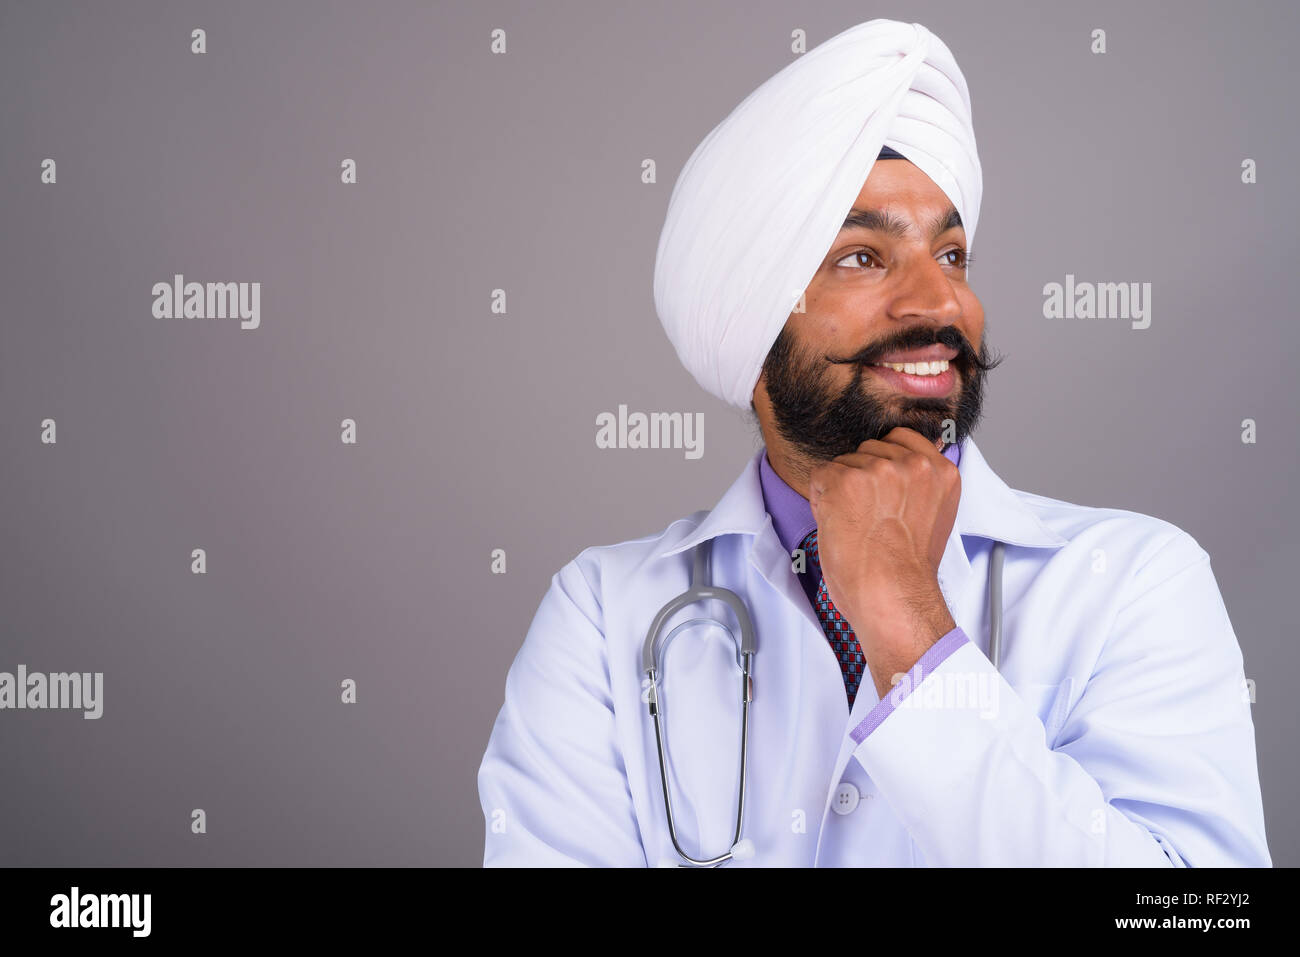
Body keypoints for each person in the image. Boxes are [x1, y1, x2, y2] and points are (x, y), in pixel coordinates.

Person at [476, 19, 1271, 867]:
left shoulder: (1135, 580)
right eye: (861, 257)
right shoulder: (603, 612)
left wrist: (911, 629)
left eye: (953, 253)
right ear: (746, 324)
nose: (941, 303)